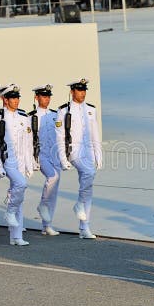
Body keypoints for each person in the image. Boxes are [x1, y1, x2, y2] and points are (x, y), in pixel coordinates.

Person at [55, 79, 102, 239]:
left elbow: (95, 133)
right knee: (88, 174)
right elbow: (60, 137)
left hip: (88, 150)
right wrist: (63, 158)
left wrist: (98, 154)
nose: (82, 93)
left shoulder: (90, 110)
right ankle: (79, 206)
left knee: (88, 188)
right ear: (72, 92)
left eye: (84, 90)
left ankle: (84, 227)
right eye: (79, 90)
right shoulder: (63, 111)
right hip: (73, 150)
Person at [0, 84, 34, 246]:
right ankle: (9, 210)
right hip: (7, 160)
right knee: (21, 185)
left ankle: (16, 237)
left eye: (17, 97)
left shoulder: (23, 117)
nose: (16, 101)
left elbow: (28, 144)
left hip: (21, 161)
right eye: (13, 98)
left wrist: (30, 164)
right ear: (5, 100)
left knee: (19, 196)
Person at [30, 84, 62, 236]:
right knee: (52, 177)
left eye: (48, 96)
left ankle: (47, 225)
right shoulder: (31, 117)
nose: (47, 99)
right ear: (37, 97)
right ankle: (42, 206)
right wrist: (32, 159)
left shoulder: (56, 115)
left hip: (54, 154)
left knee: (55, 188)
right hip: (40, 154)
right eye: (43, 96)